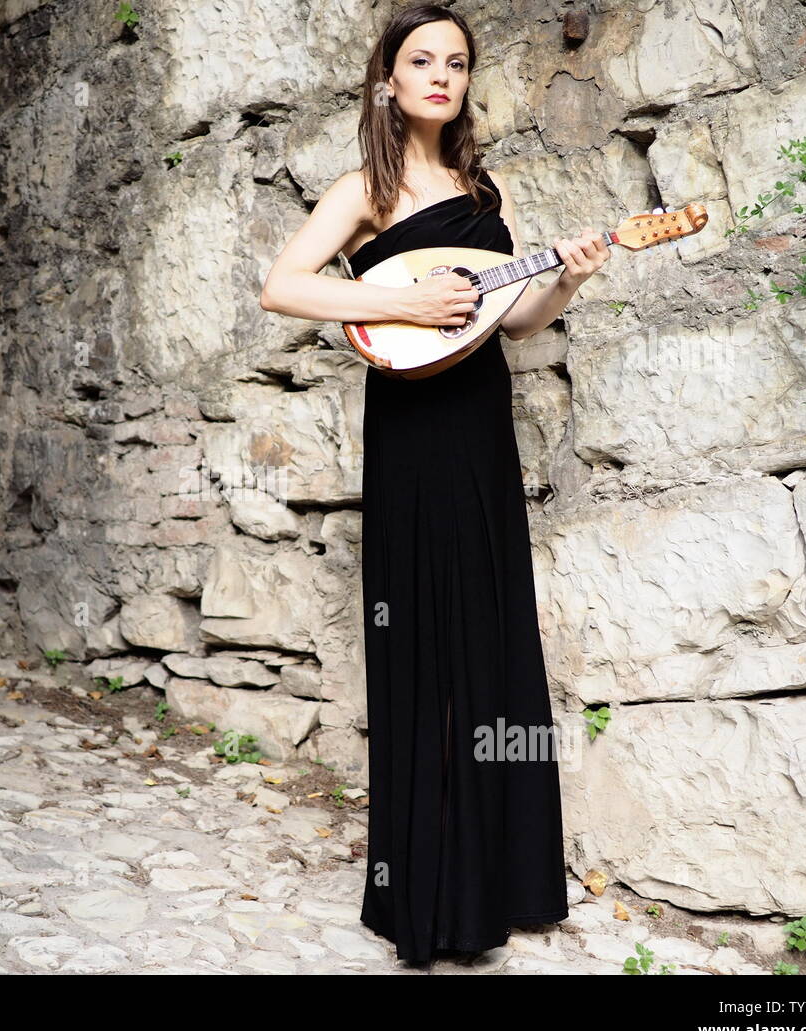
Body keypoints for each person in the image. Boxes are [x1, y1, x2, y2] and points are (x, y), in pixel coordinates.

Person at [259, 4, 611, 965]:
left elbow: (514, 321)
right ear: (389, 77)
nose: (442, 76)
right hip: (412, 432)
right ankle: (429, 898)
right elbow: (283, 286)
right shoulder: (363, 190)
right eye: (423, 60)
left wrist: (568, 278)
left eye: (457, 62)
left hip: (482, 425)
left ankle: (506, 881)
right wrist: (399, 299)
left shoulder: (481, 192)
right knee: (426, 640)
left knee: (493, 633)